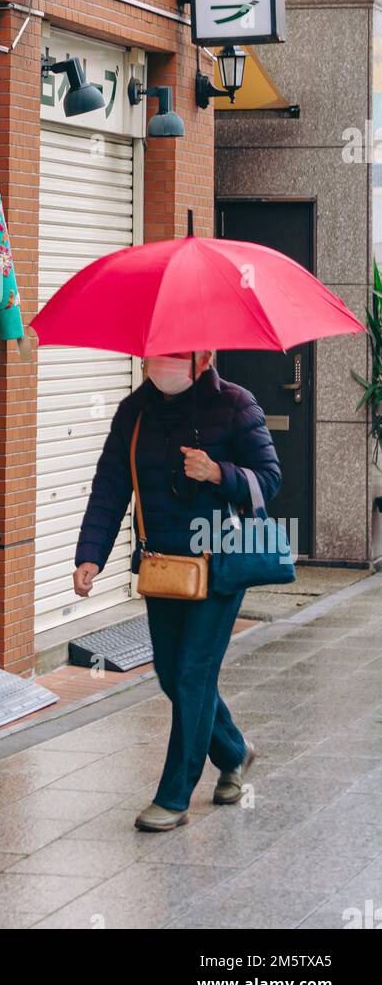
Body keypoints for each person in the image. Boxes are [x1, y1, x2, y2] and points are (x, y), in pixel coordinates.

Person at [74, 350, 281, 831]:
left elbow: (269, 480)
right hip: (163, 565)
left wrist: (219, 474)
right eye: (154, 351)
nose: (161, 361)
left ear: (204, 354)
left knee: (192, 673)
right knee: (171, 673)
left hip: (221, 562)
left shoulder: (237, 404)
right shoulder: (135, 412)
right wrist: (90, 555)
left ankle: (173, 796)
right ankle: (233, 750)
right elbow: (110, 486)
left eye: (173, 351)